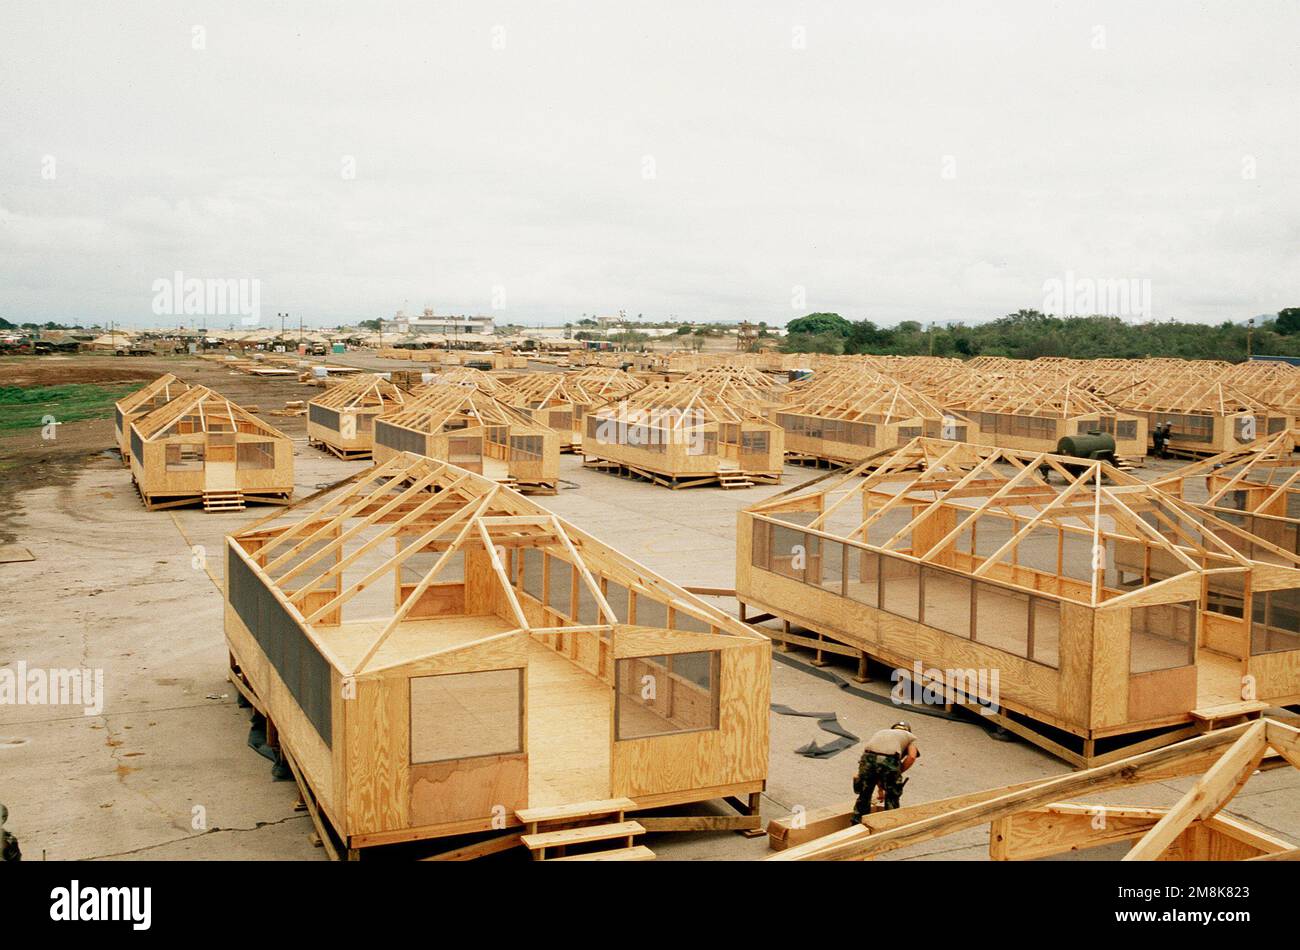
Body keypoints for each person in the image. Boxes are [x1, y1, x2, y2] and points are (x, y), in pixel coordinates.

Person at [851, 721, 920, 822]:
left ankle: (857, 823)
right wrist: (898, 772)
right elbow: (912, 757)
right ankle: (889, 824)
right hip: (890, 758)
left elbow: (877, 763)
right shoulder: (910, 737)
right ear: (908, 731)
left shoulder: (883, 732)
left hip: (868, 757)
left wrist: (880, 790)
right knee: (892, 796)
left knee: (864, 793)